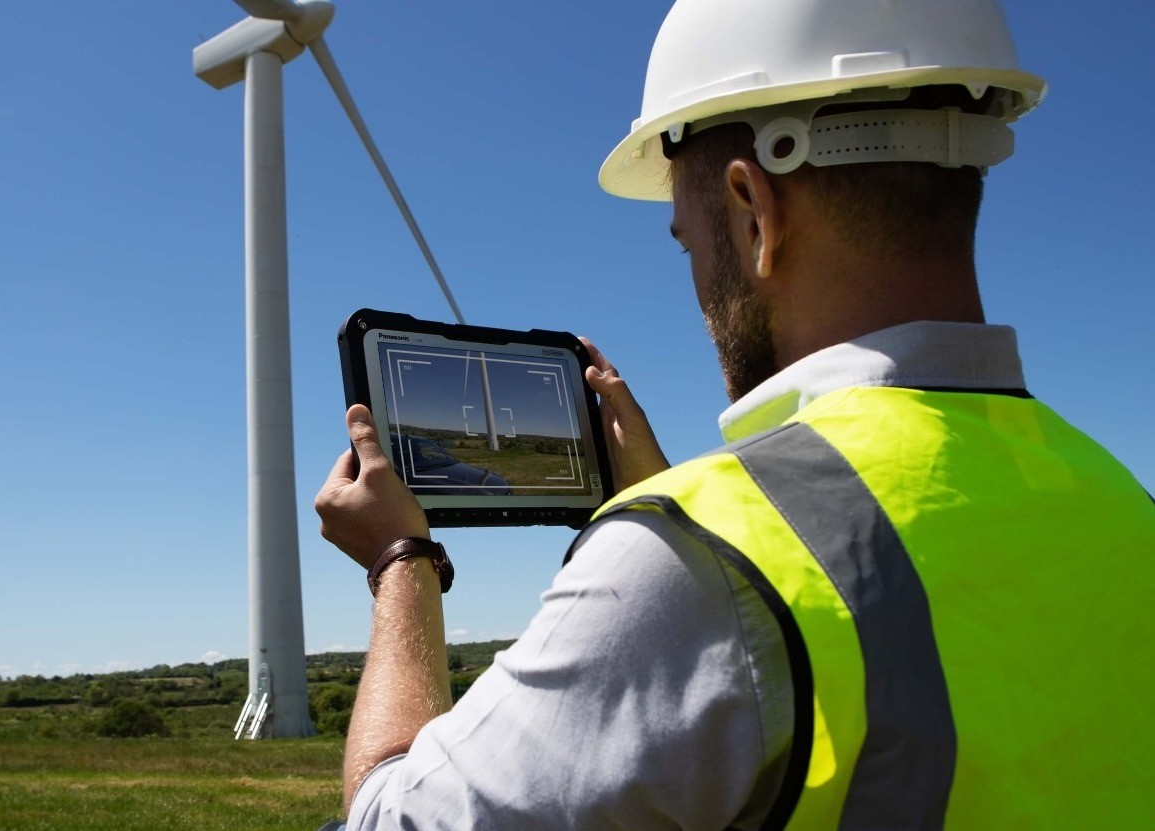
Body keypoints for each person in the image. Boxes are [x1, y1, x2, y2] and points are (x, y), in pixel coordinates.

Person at [314, 0, 1155, 828]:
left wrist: (401, 558)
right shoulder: (1117, 500)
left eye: (687, 240)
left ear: (753, 211)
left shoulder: (699, 561)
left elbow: (391, 815)